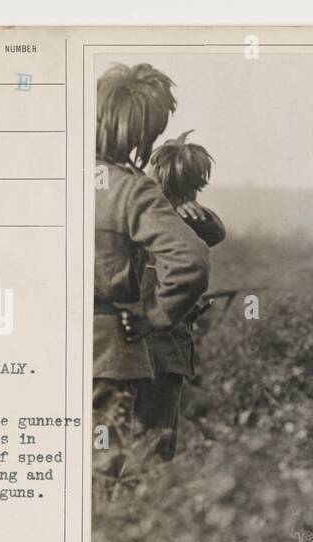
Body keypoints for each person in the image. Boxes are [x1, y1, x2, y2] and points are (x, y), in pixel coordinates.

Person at [93, 64, 211, 487]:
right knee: (119, 476)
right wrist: (157, 315)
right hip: (113, 356)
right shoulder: (130, 190)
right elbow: (192, 262)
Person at [139, 132, 226, 459]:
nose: (191, 196)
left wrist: (192, 213)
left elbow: (216, 232)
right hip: (152, 345)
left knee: (154, 446)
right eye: (186, 188)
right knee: (151, 449)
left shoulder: (175, 218)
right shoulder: (144, 216)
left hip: (166, 346)